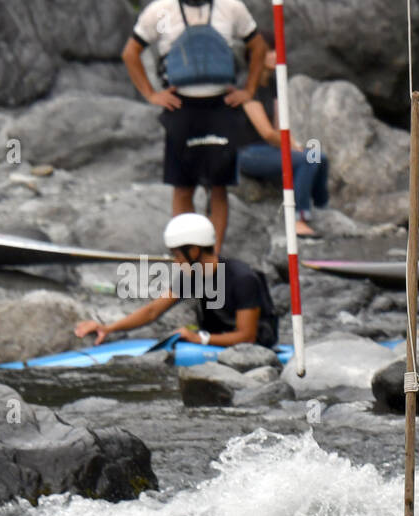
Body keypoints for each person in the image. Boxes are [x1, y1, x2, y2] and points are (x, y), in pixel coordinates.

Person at [122, 0, 268, 254]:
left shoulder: (231, 7)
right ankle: (185, 254)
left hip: (221, 105)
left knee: (218, 186)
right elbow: (130, 52)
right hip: (181, 107)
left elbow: (258, 46)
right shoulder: (161, 10)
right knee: (183, 186)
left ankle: (213, 255)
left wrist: (249, 90)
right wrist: (151, 94)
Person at [75, 213, 278, 349]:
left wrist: (201, 339)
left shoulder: (243, 279)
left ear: (194, 250)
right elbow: (152, 311)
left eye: (177, 255)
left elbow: (247, 336)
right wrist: (108, 328)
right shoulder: (192, 275)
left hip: (256, 347)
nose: (175, 261)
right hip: (215, 342)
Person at [235, 40, 330, 236]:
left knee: (318, 157)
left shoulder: (271, 84)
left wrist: (294, 144)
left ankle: (322, 210)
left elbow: (280, 128)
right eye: (270, 50)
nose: (276, 54)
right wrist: (293, 147)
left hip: (270, 149)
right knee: (305, 161)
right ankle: (297, 218)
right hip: (247, 153)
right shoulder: (246, 86)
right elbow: (267, 132)